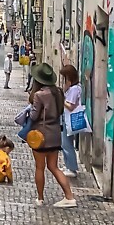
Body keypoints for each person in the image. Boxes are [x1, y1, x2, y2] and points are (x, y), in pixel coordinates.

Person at [26, 63, 76, 208]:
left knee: (39, 167)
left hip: (41, 136)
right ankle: (69, 197)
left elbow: (34, 116)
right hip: (55, 133)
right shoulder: (58, 92)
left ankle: (40, 198)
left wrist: (29, 110)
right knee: (54, 167)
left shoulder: (39, 95)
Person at [59, 63, 81, 178]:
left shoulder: (74, 89)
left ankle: (72, 168)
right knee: (64, 143)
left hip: (69, 119)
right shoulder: (72, 89)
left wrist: (62, 100)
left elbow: (71, 106)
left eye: (65, 78)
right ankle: (68, 165)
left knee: (67, 144)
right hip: (66, 119)